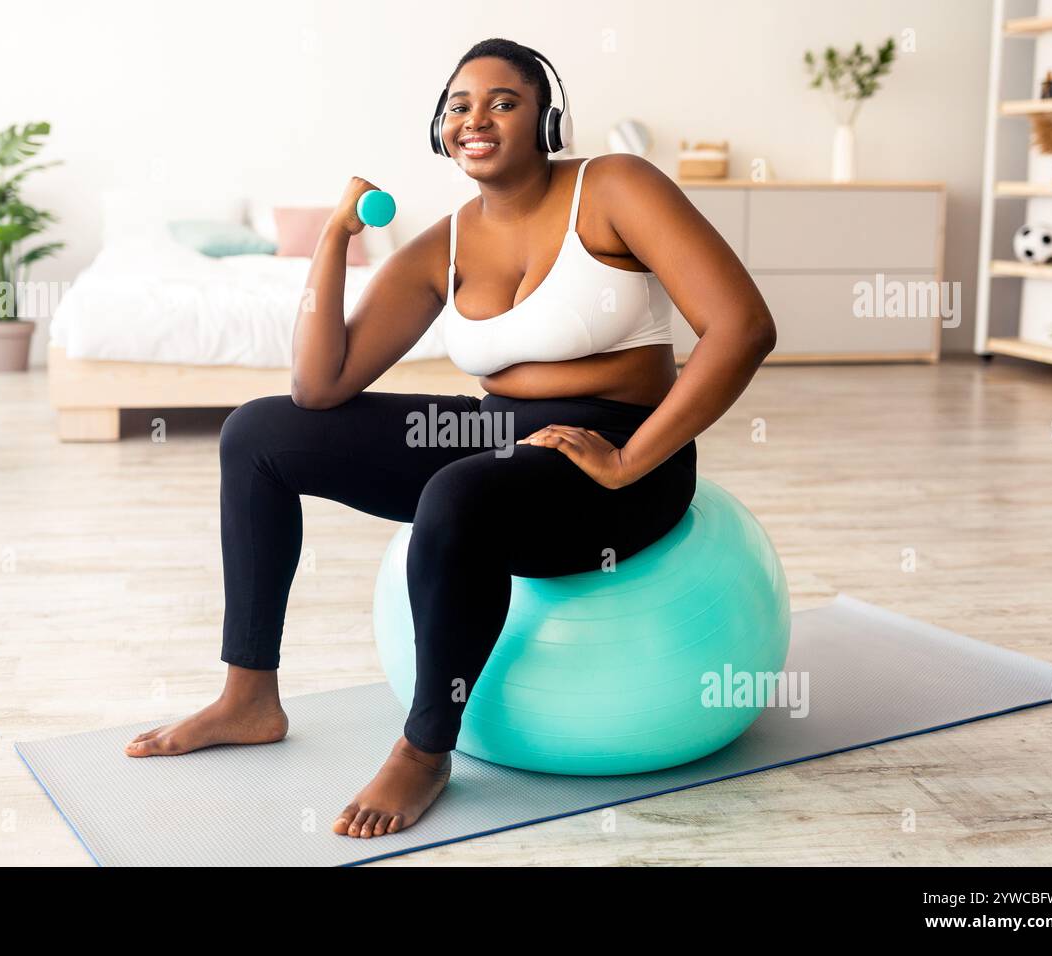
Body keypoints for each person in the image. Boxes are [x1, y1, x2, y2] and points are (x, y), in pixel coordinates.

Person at [125, 37, 776, 840]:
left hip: (623, 449)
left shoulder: (614, 187)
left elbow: (742, 326)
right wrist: (334, 241)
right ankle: (249, 695)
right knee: (258, 432)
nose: (477, 118)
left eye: (503, 101)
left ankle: (426, 746)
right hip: (499, 436)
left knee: (460, 492)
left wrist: (630, 459)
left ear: (547, 122)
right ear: (441, 132)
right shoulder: (449, 241)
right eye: (459, 106)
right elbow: (320, 385)